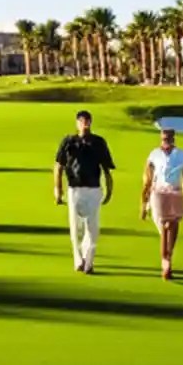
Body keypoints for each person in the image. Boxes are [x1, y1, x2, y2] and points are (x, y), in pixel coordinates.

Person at [54, 110, 115, 274]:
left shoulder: (98, 142)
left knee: (92, 228)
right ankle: (78, 259)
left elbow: (106, 168)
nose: (84, 124)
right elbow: (58, 166)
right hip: (75, 188)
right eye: (81, 121)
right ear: (77, 123)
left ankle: (89, 262)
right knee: (75, 227)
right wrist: (57, 190)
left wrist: (109, 190)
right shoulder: (68, 142)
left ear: (91, 122)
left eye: (87, 121)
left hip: (94, 189)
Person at [140, 128, 183, 280]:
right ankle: (165, 262)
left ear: (173, 139)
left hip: (176, 192)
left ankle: (168, 257)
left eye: (168, 139)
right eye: (164, 139)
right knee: (165, 225)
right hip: (159, 192)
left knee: (174, 225)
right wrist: (143, 204)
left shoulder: (182, 155)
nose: (166, 142)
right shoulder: (154, 155)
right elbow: (146, 180)